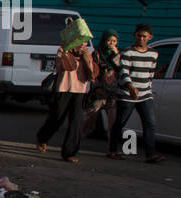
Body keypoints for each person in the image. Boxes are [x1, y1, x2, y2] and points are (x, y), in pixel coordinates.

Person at [36, 22, 97, 162]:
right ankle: (42, 137)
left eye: (85, 42)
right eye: (80, 41)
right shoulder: (63, 50)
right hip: (63, 89)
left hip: (80, 91)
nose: (82, 45)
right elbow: (61, 68)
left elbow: (92, 75)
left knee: (76, 121)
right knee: (57, 117)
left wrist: (87, 59)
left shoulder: (88, 54)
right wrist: (68, 54)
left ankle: (69, 153)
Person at [108, 24, 165, 163]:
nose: (141, 39)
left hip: (145, 94)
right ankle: (113, 149)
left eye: (144, 36)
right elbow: (124, 72)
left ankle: (150, 154)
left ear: (150, 37)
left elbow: (150, 73)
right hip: (127, 95)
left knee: (149, 123)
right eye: (139, 35)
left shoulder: (153, 54)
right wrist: (130, 87)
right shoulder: (128, 53)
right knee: (120, 122)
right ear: (134, 35)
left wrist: (148, 89)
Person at [83, 31, 123, 138]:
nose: (111, 44)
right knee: (91, 116)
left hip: (112, 91)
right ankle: (79, 136)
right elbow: (93, 70)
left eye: (114, 41)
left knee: (112, 119)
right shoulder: (97, 53)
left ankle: (112, 147)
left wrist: (116, 54)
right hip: (99, 91)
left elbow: (120, 68)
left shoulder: (117, 55)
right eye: (109, 41)